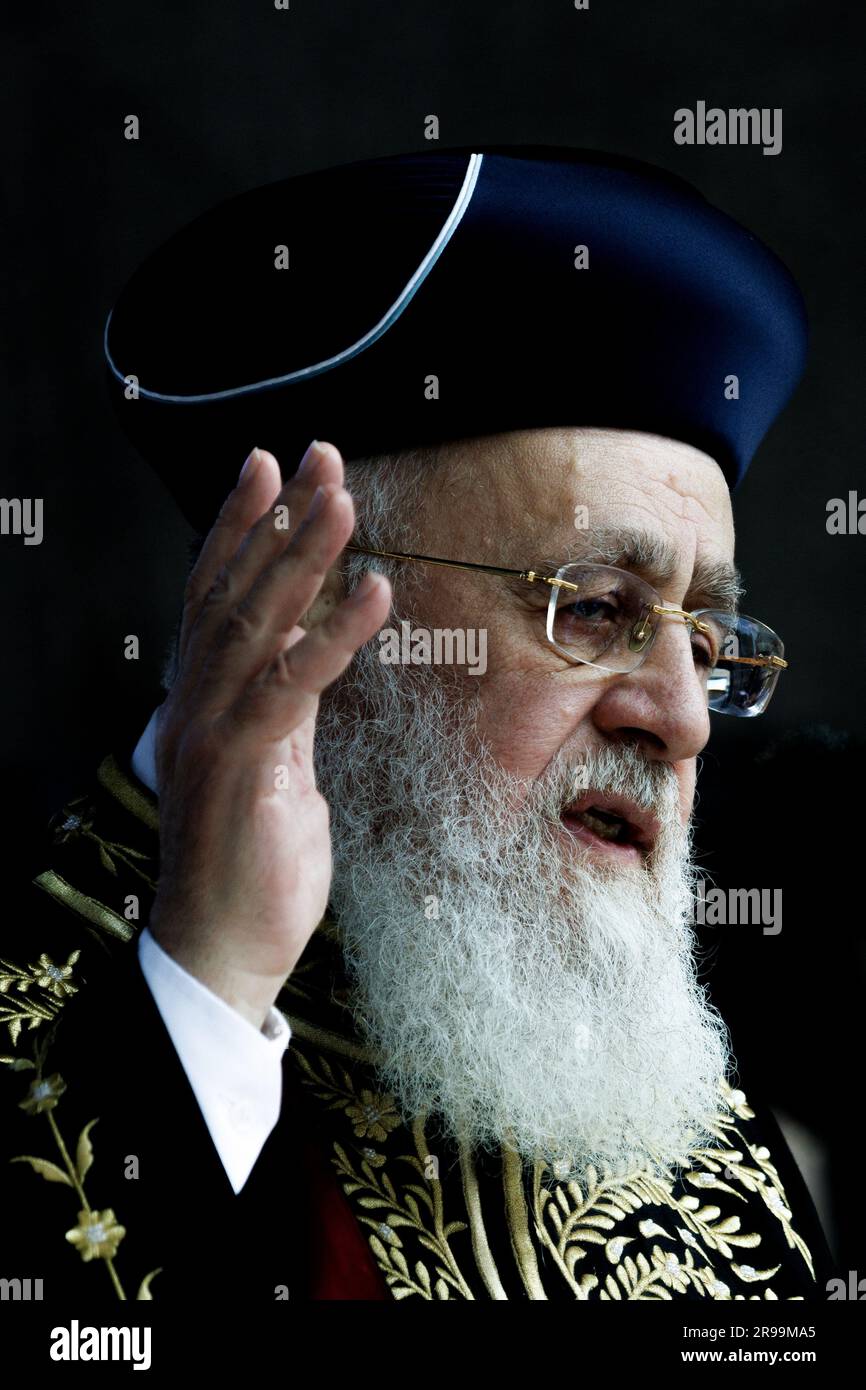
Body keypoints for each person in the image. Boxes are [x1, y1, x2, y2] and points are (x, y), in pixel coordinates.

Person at [0, 147, 836, 1302]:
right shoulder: (39, 1012)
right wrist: (212, 980)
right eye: (593, 608)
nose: (680, 720)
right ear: (304, 604)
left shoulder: (685, 1082)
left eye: (701, 641)